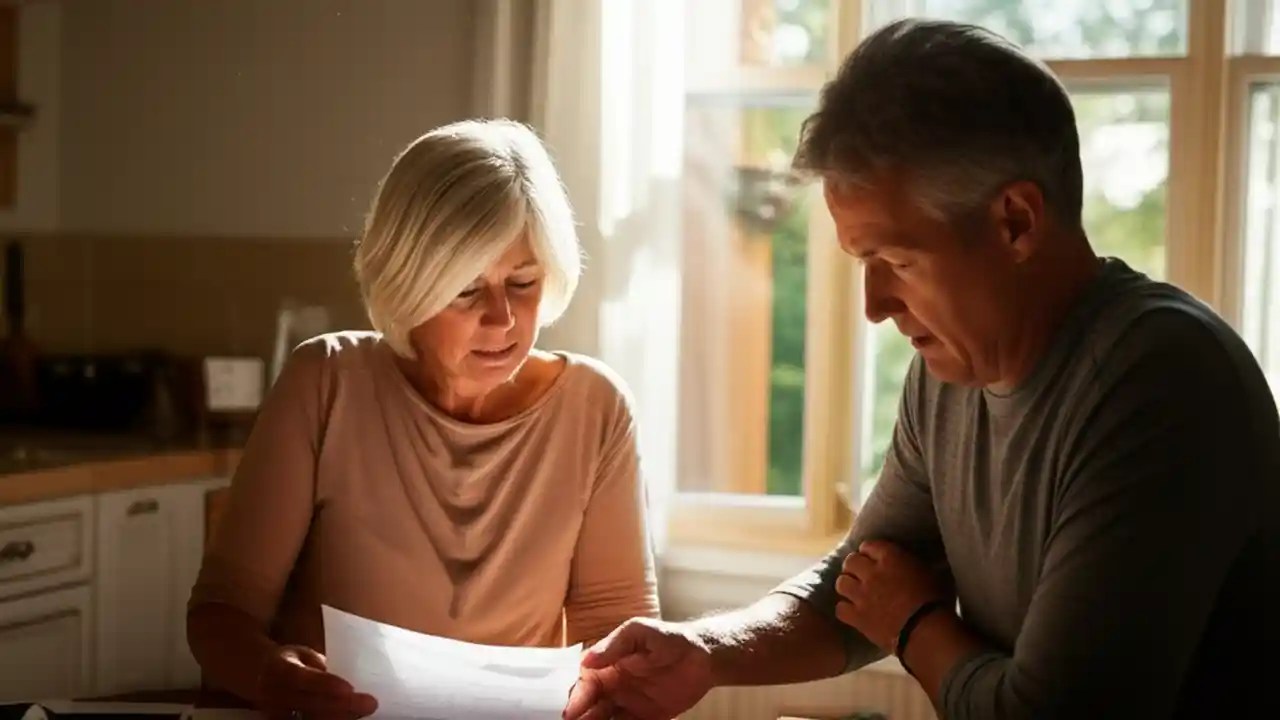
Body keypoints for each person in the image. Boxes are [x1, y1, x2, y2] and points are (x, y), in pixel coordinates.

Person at [564, 18, 1279, 720]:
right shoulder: (949, 371)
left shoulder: (1161, 381)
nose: (875, 306)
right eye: (862, 264)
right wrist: (703, 650)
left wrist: (915, 626)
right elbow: (859, 586)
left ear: (1016, 222)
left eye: (898, 261)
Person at [186, 119, 659, 718]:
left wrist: (611, 696)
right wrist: (266, 673)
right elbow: (221, 613)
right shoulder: (327, 382)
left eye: (523, 282)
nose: (503, 319)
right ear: (406, 285)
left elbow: (616, 635)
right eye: (466, 290)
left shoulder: (597, 408)